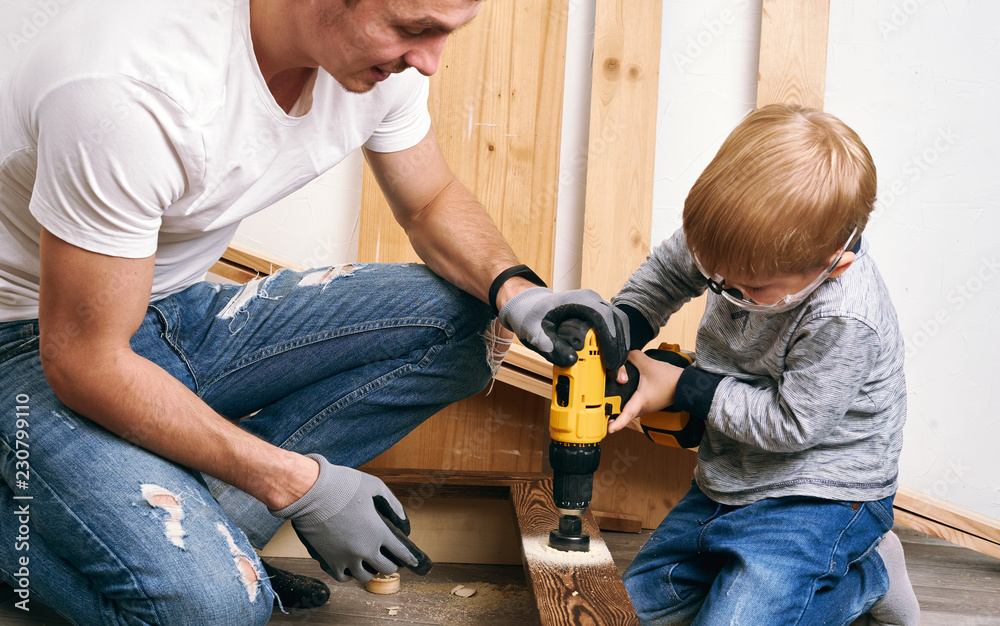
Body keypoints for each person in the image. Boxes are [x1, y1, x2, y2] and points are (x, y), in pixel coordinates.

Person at [0, 0, 627, 623]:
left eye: (444, 34)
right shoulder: (129, 87)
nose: (430, 63)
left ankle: (190, 528)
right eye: (414, 31)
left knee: (463, 319)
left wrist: (517, 291)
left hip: (173, 308)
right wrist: (301, 485)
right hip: (30, 347)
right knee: (214, 612)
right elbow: (83, 360)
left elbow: (429, 200)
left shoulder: (380, 70)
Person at [606, 105, 920, 624]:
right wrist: (624, 328)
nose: (729, 290)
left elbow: (792, 423)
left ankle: (870, 573)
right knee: (628, 613)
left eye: (750, 289)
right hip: (729, 477)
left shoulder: (844, 315)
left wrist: (686, 387)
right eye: (717, 277)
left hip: (822, 495)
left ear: (832, 264)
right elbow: (666, 273)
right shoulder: (734, 241)